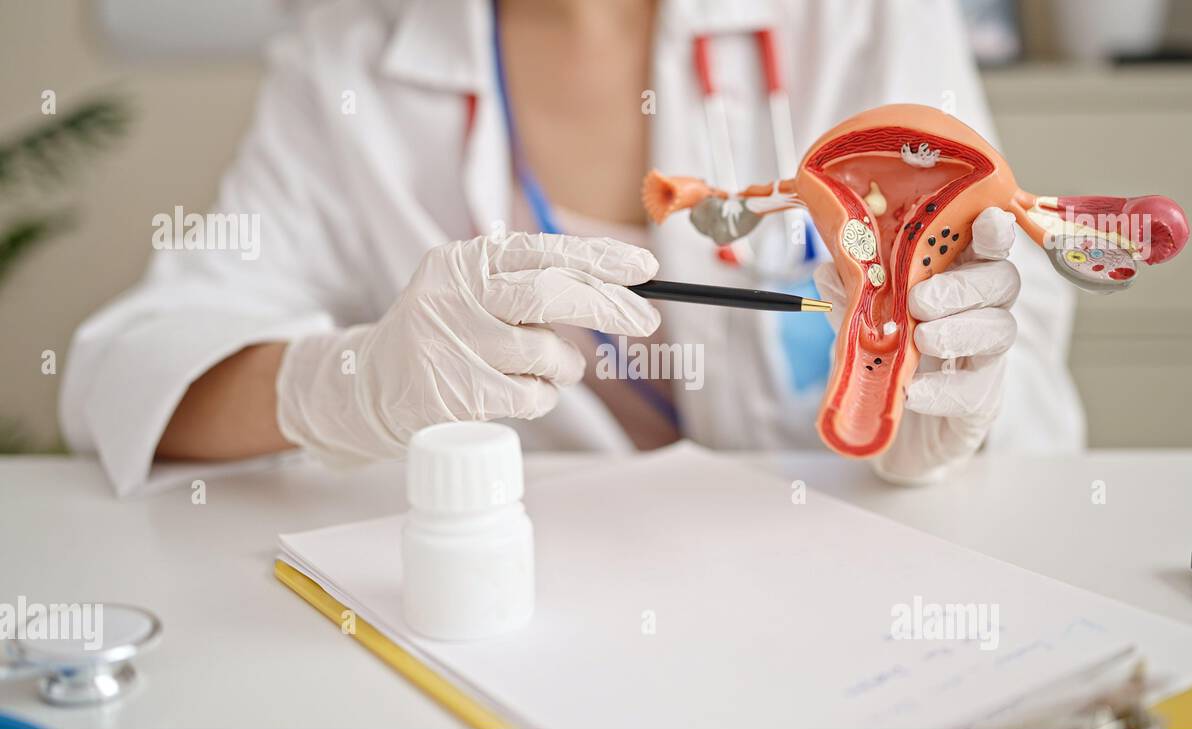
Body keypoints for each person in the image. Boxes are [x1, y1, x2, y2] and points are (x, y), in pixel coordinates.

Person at [60, 0, 1084, 497]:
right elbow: (132, 366)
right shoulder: (349, 62)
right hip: (517, 626)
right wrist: (350, 382)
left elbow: (1015, 332)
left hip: (851, 582)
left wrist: (950, 402)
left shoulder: (855, 15)